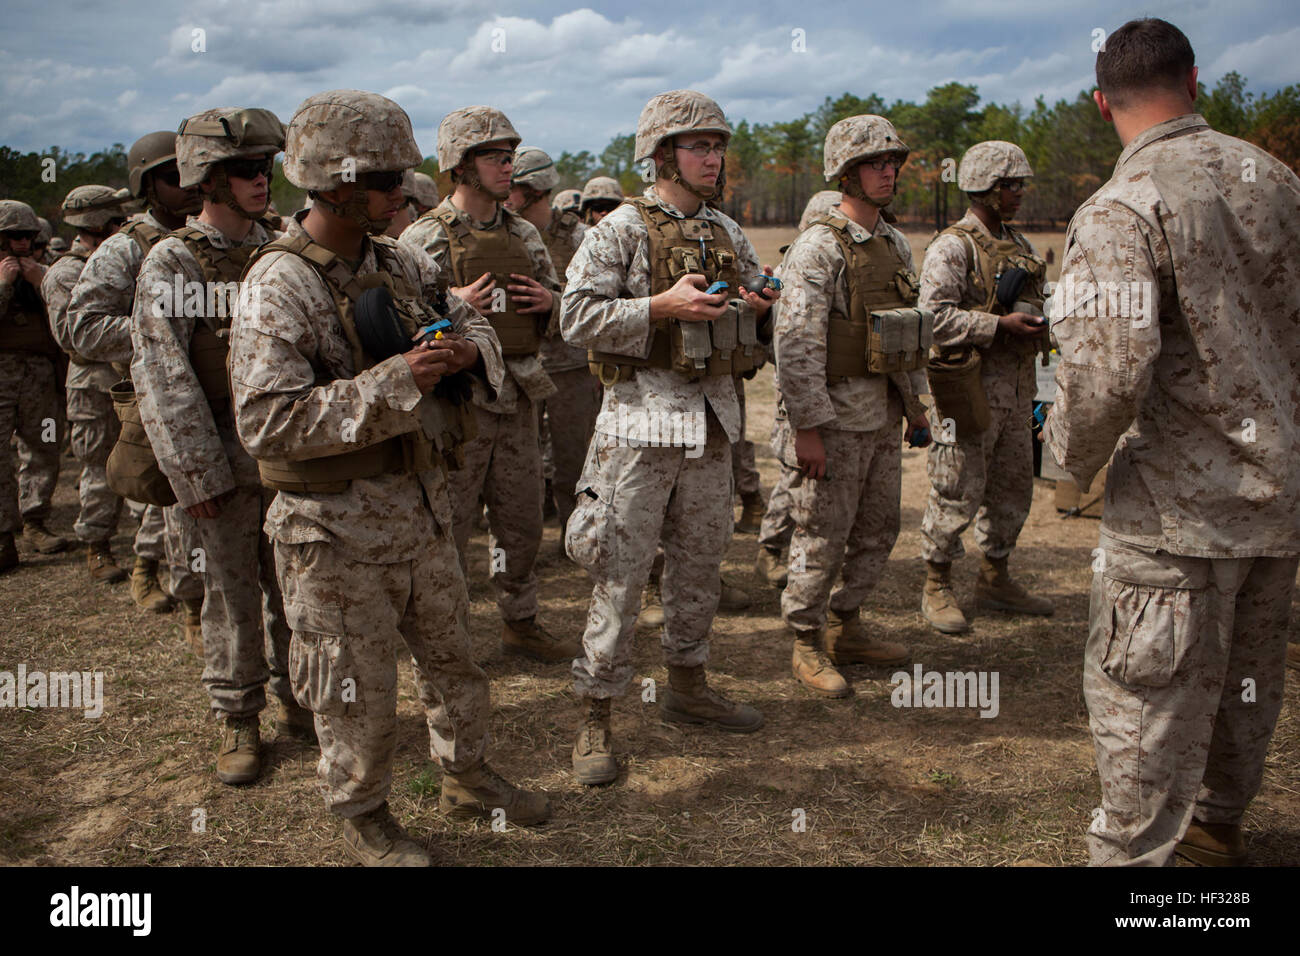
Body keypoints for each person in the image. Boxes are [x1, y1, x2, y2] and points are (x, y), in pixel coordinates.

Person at [232, 89, 550, 866]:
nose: (401, 194)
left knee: (455, 664)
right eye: (383, 181)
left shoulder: (399, 259)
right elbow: (266, 422)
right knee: (356, 691)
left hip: (420, 511)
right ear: (333, 182)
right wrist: (399, 379)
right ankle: (365, 813)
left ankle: (468, 775)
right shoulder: (279, 284)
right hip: (333, 534)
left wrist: (470, 352)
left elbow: (471, 323)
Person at [1043, 17, 1300, 867]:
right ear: (1195, 82)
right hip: (1275, 505)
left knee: (1148, 715)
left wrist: (1069, 470)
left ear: (1100, 101)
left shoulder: (1123, 206)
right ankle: (1215, 834)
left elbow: (1108, 372)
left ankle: (1147, 868)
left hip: (1174, 519)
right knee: (1244, 689)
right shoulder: (1277, 183)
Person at [561, 90, 777, 786]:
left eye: (718, 146)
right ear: (660, 155)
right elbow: (575, 319)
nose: (713, 157)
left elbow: (748, 302)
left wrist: (758, 306)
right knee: (620, 573)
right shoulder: (618, 230)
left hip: (711, 425)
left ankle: (688, 684)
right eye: (698, 146)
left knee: (699, 563)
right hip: (639, 425)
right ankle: (595, 711)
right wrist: (660, 306)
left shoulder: (725, 231)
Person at [132, 107, 312, 784]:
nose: (259, 180)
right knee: (231, 599)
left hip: (286, 456)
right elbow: (162, 376)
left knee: (297, 592)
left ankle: (303, 701)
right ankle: (238, 716)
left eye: (265, 167)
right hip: (221, 463)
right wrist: (197, 478)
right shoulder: (173, 261)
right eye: (243, 169)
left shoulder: (284, 248)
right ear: (206, 178)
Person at [400, 107, 576, 664]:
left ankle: (520, 621)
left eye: (509, 157)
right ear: (459, 165)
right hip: (456, 405)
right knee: (448, 525)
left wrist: (550, 302)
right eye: (495, 158)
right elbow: (398, 330)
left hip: (517, 398)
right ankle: (446, 633)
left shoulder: (524, 231)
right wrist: (454, 312)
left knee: (520, 521)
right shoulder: (420, 238)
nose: (508, 168)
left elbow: (563, 302)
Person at [776, 116, 927, 696]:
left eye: (893, 162)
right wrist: (808, 429)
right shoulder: (819, 246)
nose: (888, 171)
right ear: (845, 172)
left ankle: (848, 624)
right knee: (821, 531)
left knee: (878, 527)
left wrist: (915, 407)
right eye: (874, 163)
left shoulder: (893, 243)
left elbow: (906, 331)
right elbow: (796, 344)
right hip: (834, 421)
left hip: (881, 418)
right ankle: (806, 640)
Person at [67, 130, 207, 638]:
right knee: (174, 506)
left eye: (194, 173)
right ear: (147, 186)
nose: (188, 185)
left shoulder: (217, 237)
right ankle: (184, 598)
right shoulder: (126, 249)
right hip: (159, 398)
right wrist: (159, 333)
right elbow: (79, 328)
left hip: (221, 395)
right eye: (174, 178)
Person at [917, 140, 1054, 634]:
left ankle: (996, 577)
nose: (1019, 193)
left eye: (1020, 184)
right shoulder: (954, 247)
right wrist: (1000, 326)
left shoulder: (1021, 246)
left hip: (1017, 394)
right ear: (985, 189)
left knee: (1013, 490)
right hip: (968, 391)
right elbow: (932, 320)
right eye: (1010, 185)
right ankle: (937, 582)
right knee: (956, 488)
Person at [506, 147, 597, 541]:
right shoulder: (503, 234)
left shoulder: (582, 238)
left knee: (574, 460)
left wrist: (554, 305)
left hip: (571, 368)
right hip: (520, 366)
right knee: (518, 462)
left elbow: (601, 305)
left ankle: (572, 536)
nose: (504, 195)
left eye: (514, 188)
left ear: (535, 190)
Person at [755, 189, 842, 587]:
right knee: (795, 475)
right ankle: (771, 550)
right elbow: (781, 343)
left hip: (834, 390)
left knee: (809, 480)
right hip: (797, 394)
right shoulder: (800, 263)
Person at [42, 185, 130, 582]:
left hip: (128, 379)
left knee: (140, 459)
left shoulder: (122, 260)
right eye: (114, 220)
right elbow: (69, 337)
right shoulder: (67, 272)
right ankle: (97, 545)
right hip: (93, 384)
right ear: (96, 224)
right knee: (97, 466)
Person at [0, 199, 63, 571]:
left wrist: (44, 284)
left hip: (39, 373)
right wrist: (5, 285)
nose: (22, 243)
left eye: (27, 236)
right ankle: (4, 536)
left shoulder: (46, 272)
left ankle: (35, 521)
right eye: (13, 237)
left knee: (44, 446)